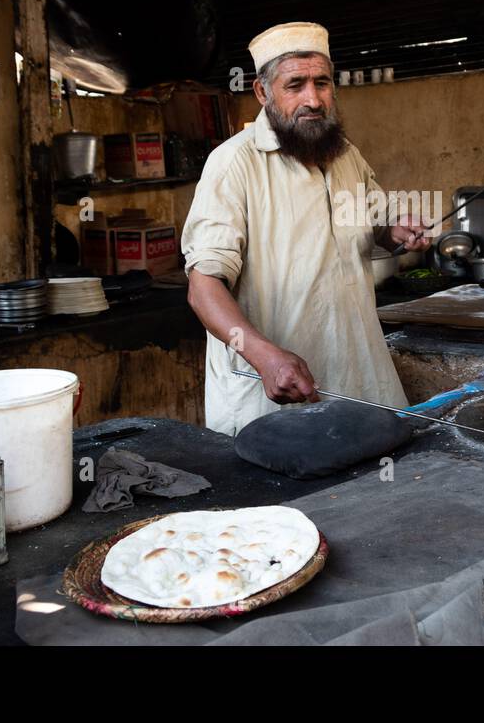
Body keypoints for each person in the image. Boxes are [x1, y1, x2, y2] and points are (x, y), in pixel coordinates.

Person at [182, 22, 430, 435]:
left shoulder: (345, 155)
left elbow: (374, 224)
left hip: (360, 380)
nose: (313, 99)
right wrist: (264, 356)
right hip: (274, 395)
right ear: (263, 93)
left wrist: (397, 229)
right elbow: (203, 288)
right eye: (295, 84)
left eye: (322, 83)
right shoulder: (233, 165)